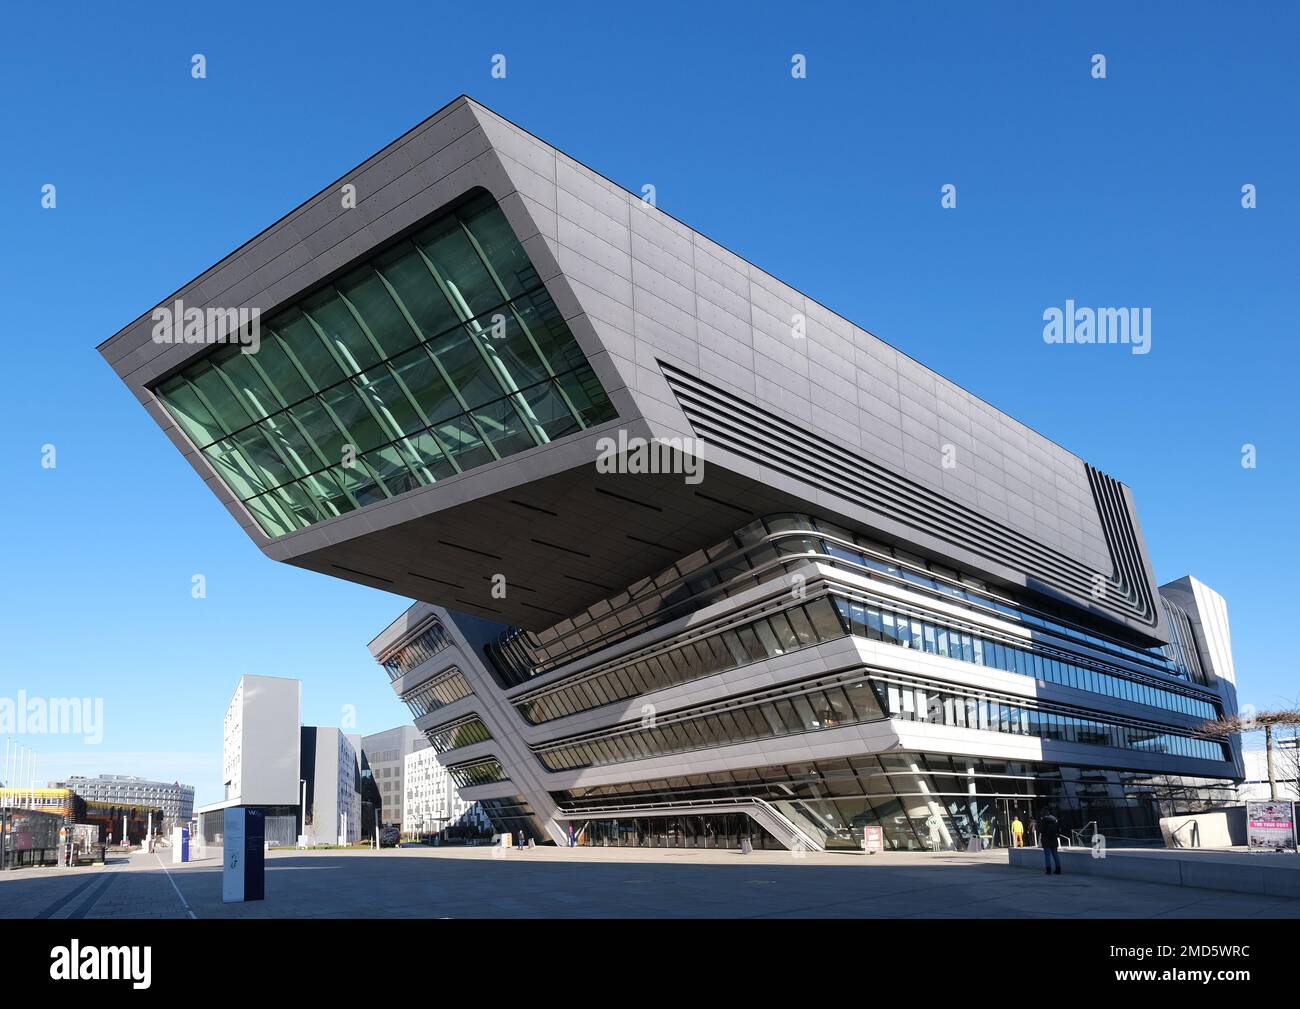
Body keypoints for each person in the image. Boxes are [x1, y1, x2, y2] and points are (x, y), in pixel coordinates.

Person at [1039, 809, 1062, 874]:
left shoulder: (1044, 820)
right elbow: (1059, 830)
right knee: (1055, 854)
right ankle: (1058, 869)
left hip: (1046, 840)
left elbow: (1041, 830)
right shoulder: (1055, 820)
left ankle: (1048, 870)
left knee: (1047, 855)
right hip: (1054, 839)